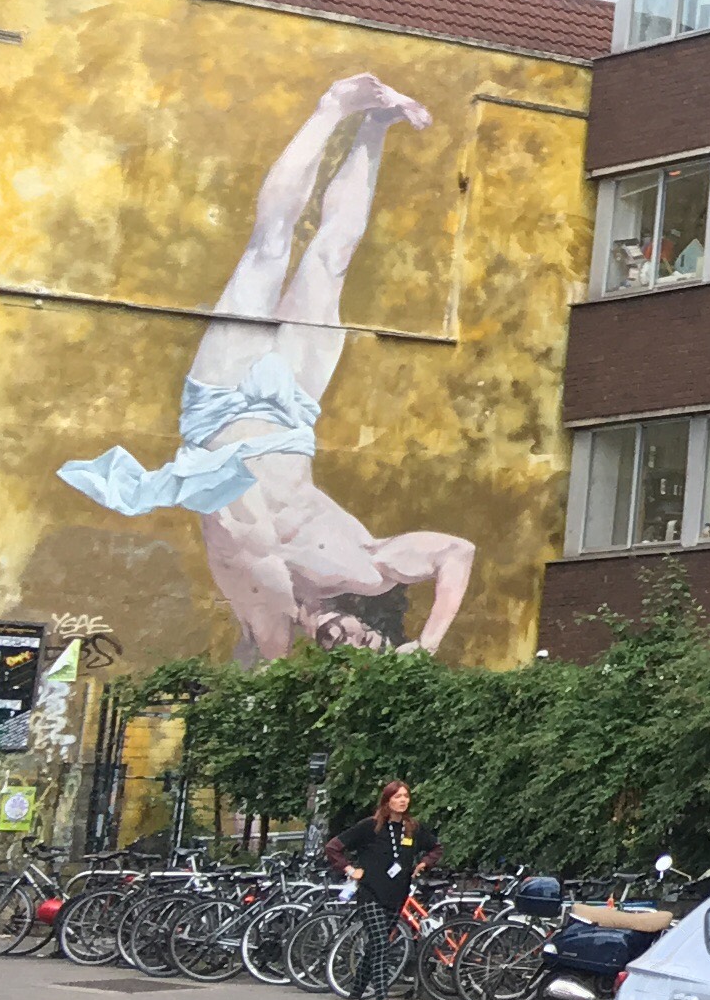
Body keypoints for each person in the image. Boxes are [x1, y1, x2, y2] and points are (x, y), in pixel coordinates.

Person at [57, 74, 478, 661]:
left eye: (341, 651)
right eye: (365, 642)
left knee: (270, 252)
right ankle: (365, 121)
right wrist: (426, 645)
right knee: (324, 260)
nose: (348, 641)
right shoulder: (361, 564)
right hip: (292, 415)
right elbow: (456, 551)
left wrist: (287, 639)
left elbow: (261, 637)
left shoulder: (268, 616)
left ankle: (337, 111)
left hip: (220, 410)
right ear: (376, 626)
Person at [328, 779, 436, 1000]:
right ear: (387, 800)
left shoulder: (412, 828)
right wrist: (349, 869)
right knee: (380, 943)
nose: (403, 800)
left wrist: (424, 864)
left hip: (396, 895)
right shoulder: (371, 827)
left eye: (406, 796)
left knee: (374, 949)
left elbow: (435, 847)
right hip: (370, 894)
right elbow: (334, 847)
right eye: (397, 796)